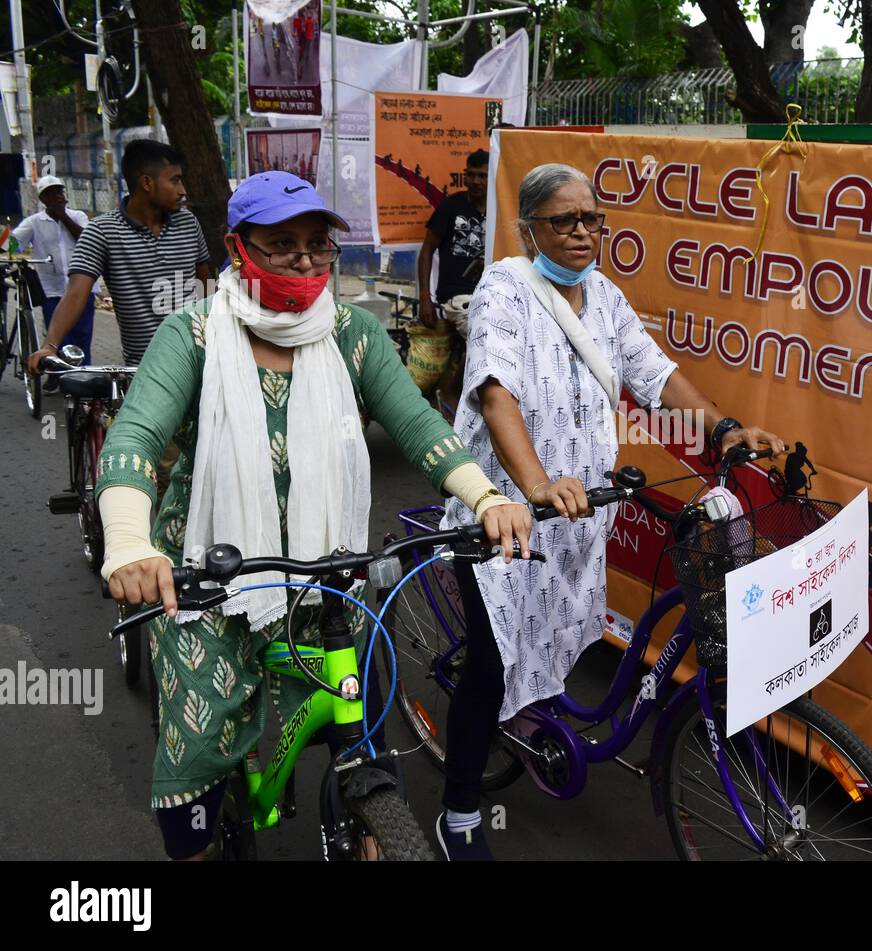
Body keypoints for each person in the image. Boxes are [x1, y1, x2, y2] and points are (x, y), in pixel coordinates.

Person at [92, 171, 532, 860]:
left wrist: (486, 496)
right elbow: (134, 440)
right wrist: (126, 542)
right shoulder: (195, 333)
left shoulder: (352, 333)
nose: (305, 260)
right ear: (239, 249)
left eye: (318, 244)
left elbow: (419, 425)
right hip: (208, 578)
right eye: (282, 244)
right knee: (200, 751)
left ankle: (371, 820)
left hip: (327, 564)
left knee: (361, 718)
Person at [437, 162, 785, 860]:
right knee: (490, 666)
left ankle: (534, 716)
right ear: (530, 225)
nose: (581, 232)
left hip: (580, 513)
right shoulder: (504, 287)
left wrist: (722, 429)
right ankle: (459, 812)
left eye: (591, 219)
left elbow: (654, 375)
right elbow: (494, 391)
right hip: (504, 515)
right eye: (564, 220)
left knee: (558, 637)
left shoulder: (605, 296)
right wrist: (532, 483)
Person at [29, 140, 213, 370]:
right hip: (145, 370)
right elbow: (75, 293)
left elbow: (206, 287)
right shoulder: (102, 231)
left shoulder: (188, 223)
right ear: (147, 182)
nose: (182, 190)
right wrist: (50, 345)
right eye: (174, 180)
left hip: (199, 362)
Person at [417, 150, 489, 412]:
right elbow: (426, 251)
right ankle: (450, 391)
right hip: (455, 297)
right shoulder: (451, 207)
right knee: (482, 334)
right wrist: (425, 297)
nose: (476, 181)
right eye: (471, 175)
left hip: (488, 295)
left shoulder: (498, 209)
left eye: (482, 176)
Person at [11, 176, 94, 390]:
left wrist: (63, 217)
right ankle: (58, 374)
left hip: (82, 288)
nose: (57, 196)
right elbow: (13, 243)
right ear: (43, 198)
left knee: (82, 335)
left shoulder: (78, 216)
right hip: (52, 289)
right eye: (51, 193)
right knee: (57, 333)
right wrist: (5, 246)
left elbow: (88, 240)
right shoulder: (34, 222)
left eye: (60, 192)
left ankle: (82, 377)